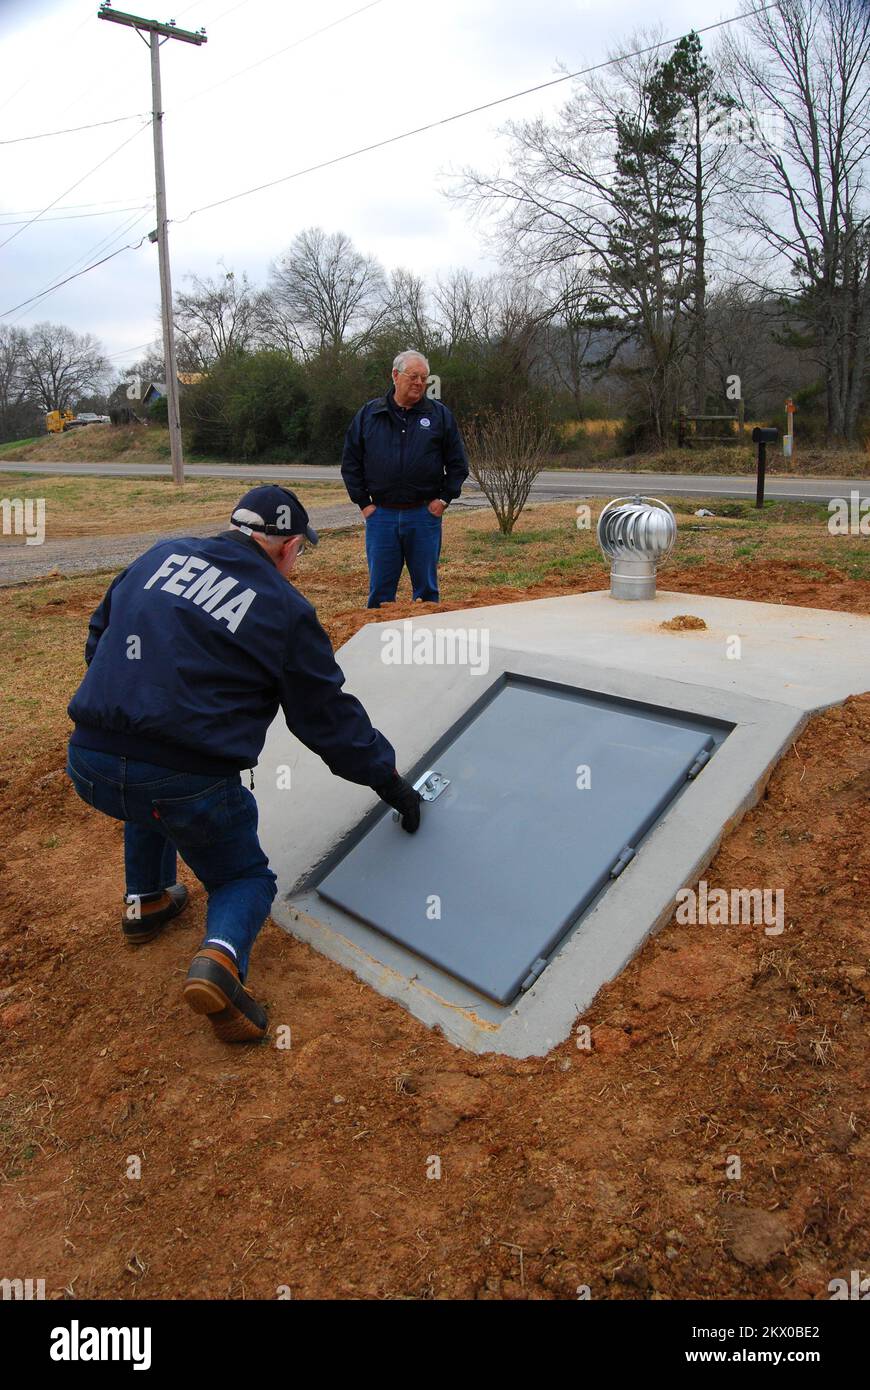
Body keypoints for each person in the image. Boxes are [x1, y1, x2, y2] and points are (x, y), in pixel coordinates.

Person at [65, 485, 422, 1043]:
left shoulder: (159, 555)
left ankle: (147, 900)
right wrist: (388, 779)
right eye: (300, 553)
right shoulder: (283, 610)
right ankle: (221, 965)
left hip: (89, 761)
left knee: (150, 792)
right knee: (242, 876)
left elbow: (99, 635)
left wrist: (129, 703)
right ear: (286, 548)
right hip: (184, 779)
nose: (297, 566)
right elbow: (326, 720)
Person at [341, 349, 469, 607]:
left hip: (423, 517)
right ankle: (378, 643)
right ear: (395, 375)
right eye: (413, 376)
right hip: (381, 517)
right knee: (380, 595)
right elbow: (351, 463)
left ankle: (427, 643)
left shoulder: (439, 416)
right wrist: (364, 504)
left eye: (424, 378)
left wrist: (443, 500)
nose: (420, 383)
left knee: (427, 594)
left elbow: (458, 464)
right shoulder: (369, 415)